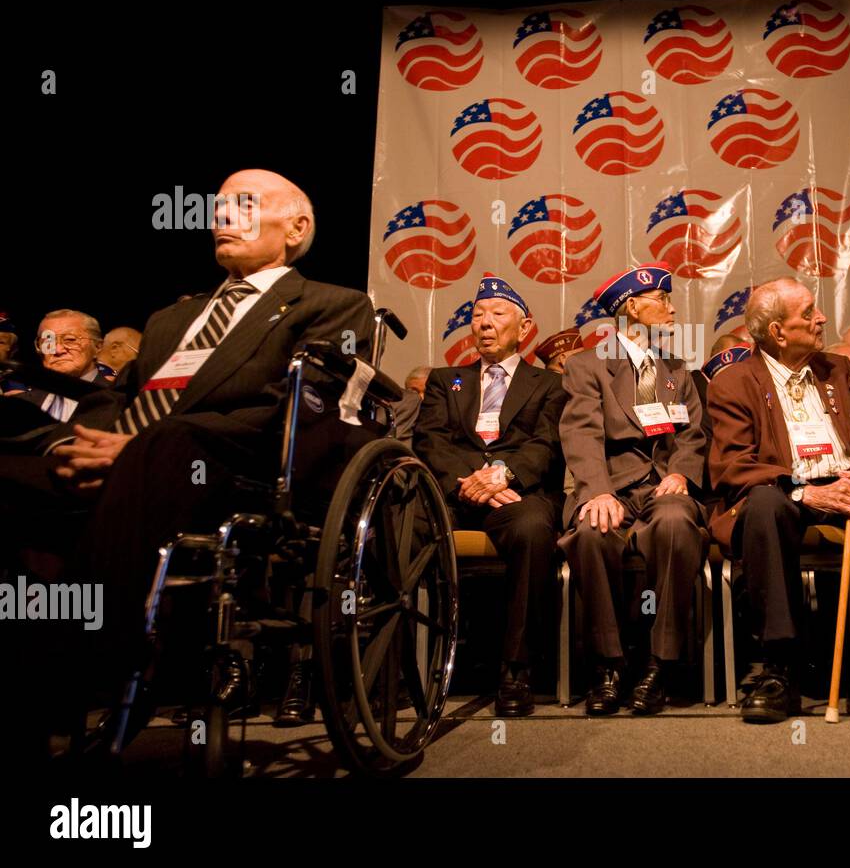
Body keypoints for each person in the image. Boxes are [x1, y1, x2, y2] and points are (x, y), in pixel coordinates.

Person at [16, 170, 377, 753]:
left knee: (170, 443)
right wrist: (82, 443)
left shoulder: (332, 306)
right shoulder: (169, 319)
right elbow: (116, 397)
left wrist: (138, 447)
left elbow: (310, 411)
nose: (221, 217)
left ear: (297, 227)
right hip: (131, 457)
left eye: (243, 205)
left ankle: (87, 647)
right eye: (218, 207)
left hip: (235, 469)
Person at [707, 276, 850, 725]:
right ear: (777, 332)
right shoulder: (733, 382)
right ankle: (779, 666)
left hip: (848, 482)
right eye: (808, 313)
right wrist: (806, 491)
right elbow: (732, 465)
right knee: (765, 506)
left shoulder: (841, 371)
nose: (822, 318)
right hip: (786, 491)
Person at [557, 262, 709, 715]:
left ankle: (660, 664)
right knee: (590, 532)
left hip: (664, 487)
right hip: (612, 486)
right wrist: (596, 491)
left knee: (678, 523)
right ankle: (610, 663)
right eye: (661, 299)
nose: (671, 307)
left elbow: (692, 434)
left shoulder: (677, 368)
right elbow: (581, 432)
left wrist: (681, 472)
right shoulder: (587, 365)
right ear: (631, 308)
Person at [413, 273, 566, 716]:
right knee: (401, 523)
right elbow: (429, 440)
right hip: (455, 493)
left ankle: (516, 669)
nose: (484, 323)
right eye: (477, 315)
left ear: (523, 328)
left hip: (516, 494)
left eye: (497, 315)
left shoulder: (550, 384)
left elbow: (548, 443)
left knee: (534, 529)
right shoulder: (446, 379)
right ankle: (396, 666)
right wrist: (469, 481)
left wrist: (503, 473)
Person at [17, 310, 112, 421]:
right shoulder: (20, 404)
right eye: (48, 342)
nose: (57, 350)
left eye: (70, 340)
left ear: (97, 346)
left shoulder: (122, 400)